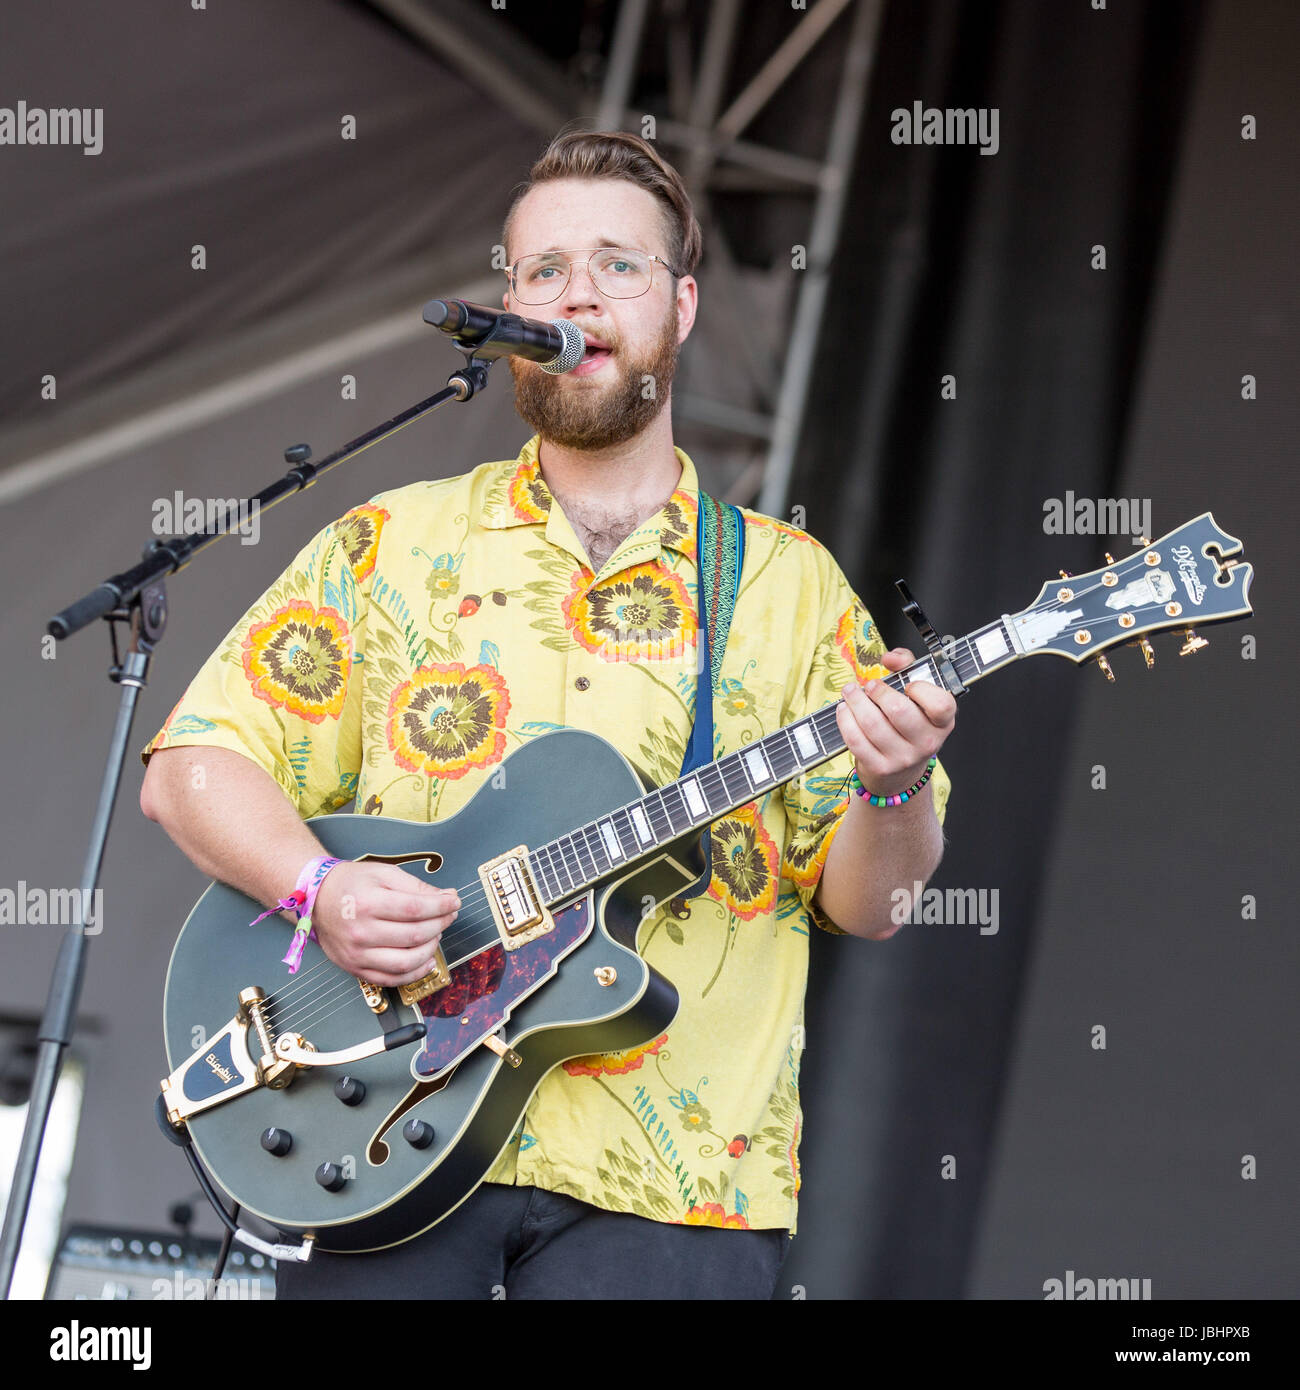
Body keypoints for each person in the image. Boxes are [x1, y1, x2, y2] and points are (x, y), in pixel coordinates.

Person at [139, 130, 957, 1300]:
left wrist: (891, 780)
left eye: (617, 266)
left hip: (677, 1180)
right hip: (379, 1143)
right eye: (542, 272)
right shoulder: (389, 546)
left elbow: (875, 904)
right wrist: (318, 892)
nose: (576, 293)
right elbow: (192, 767)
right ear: (509, 308)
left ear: (679, 306)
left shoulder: (787, 588)